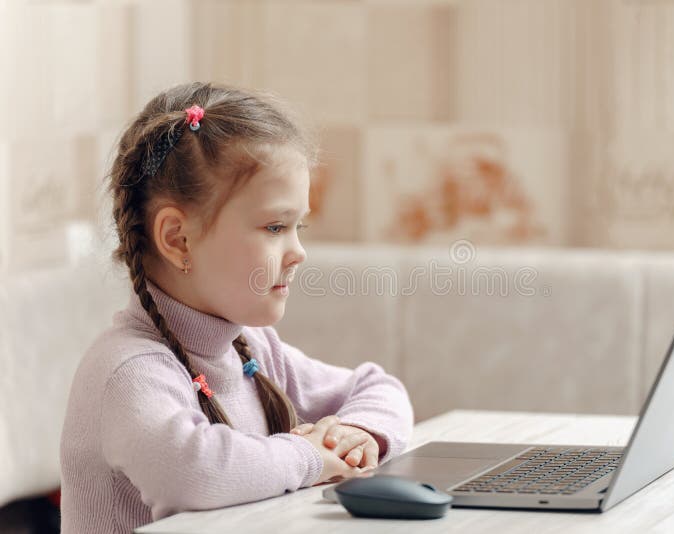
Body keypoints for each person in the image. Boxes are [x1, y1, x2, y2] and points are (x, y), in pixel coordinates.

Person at [59, 81, 414, 533]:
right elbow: (195, 471)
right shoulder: (129, 371)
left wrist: (359, 432)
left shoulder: (252, 350)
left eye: (298, 226)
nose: (299, 251)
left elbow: (379, 388)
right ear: (177, 239)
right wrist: (311, 456)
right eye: (274, 227)